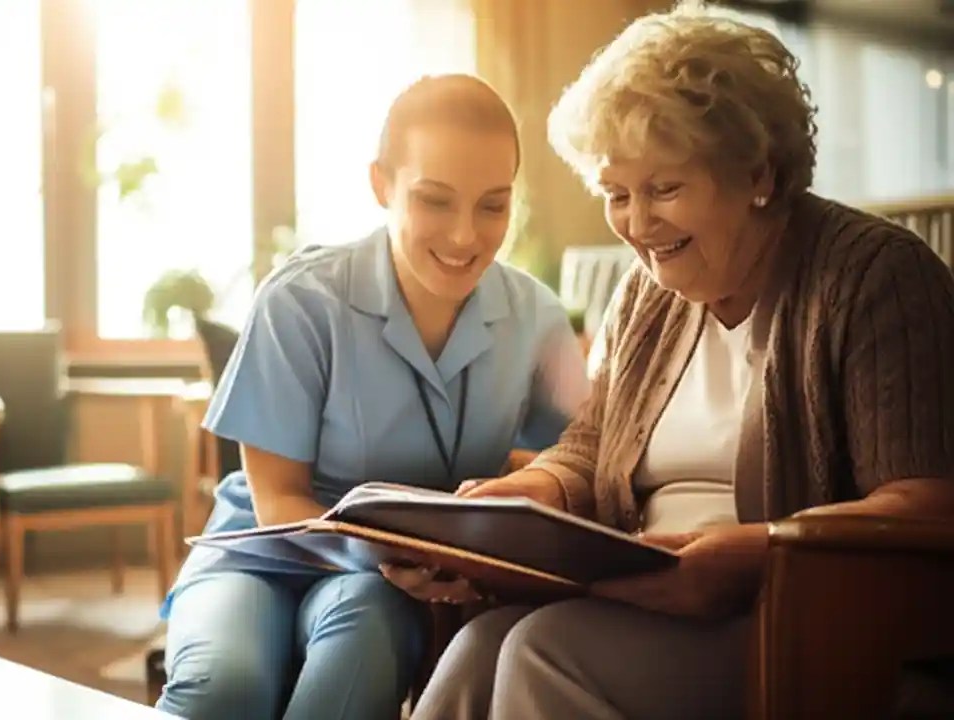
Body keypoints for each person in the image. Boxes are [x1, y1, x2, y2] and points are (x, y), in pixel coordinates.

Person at [409, 5, 954, 720]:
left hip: (793, 622)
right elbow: (589, 446)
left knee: (544, 652)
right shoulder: (645, 295)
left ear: (756, 171)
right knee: (479, 650)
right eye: (616, 194)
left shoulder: (878, 276)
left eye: (664, 189)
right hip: (646, 601)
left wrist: (758, 553)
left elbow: (926, 507)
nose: (637, 224)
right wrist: (532, 495)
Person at [154, 74, 591, 720]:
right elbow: (277, 499)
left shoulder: (537, 319)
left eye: (493, 205)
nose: (466, 236)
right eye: (434, 201)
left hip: (392, 583)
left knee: (355, 661)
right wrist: (386, 551)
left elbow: (580, 457)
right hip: (263, 556)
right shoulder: (301, 300)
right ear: (381, 185)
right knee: (227, 688)